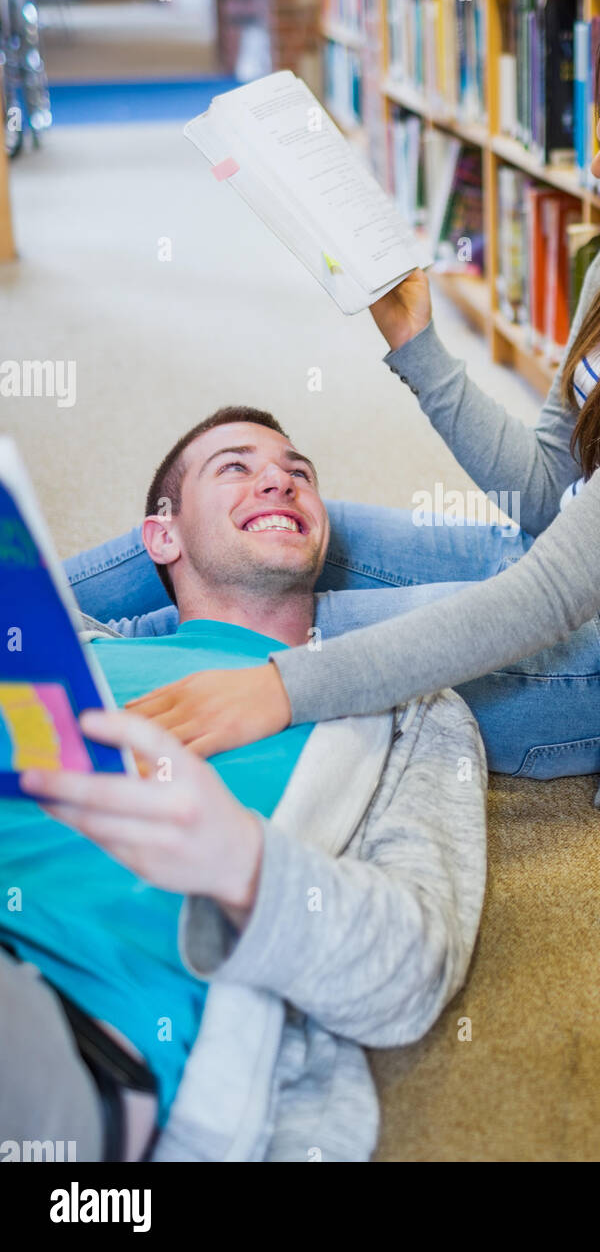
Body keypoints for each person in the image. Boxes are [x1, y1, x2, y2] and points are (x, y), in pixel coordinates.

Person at [64, 0, 600, 811]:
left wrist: (287, 688)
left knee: (278, 633)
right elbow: (546, 493)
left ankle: (79, 679)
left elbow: (558, 592)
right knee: (254, 540)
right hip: (552, 566)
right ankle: (31, 610)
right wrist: (417, 346)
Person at [0, 407, 486, 1162]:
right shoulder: (70, 651)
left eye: (299, 474)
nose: (278, 480)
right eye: (235, 466)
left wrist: (242, 866)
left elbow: (412, 968)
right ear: (161, 537)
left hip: (74, 1034)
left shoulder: (404, 710)